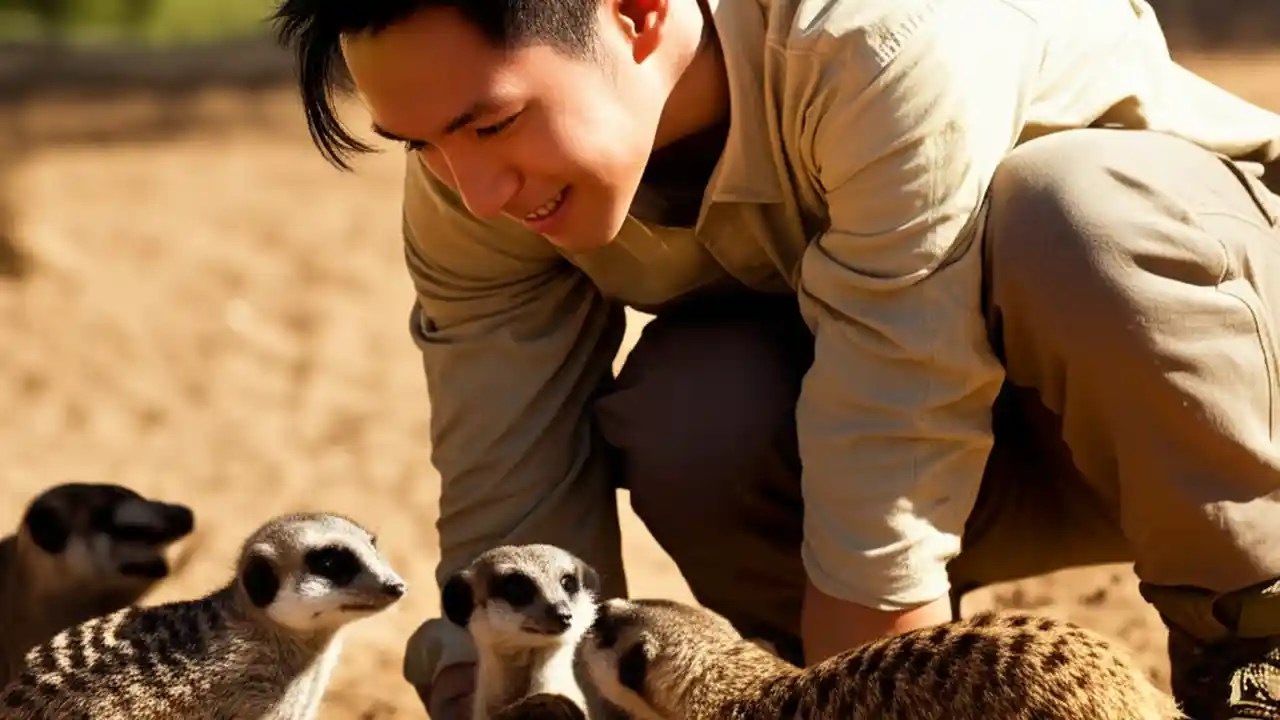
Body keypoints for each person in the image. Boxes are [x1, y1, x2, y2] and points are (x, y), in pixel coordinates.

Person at [270, 0, 1280, 716]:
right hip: (972, 456)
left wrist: (864, 698)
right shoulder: (469, 175)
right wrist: (500, 689)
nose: (472, 188)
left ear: (633, 12)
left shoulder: (878, 33)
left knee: (1073, 219)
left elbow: (895, 403)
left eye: (490, 124)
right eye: (424, 146)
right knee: (688, 404)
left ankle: (1253, 654)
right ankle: (779, 683)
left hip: (1217, 403)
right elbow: (506, 475)